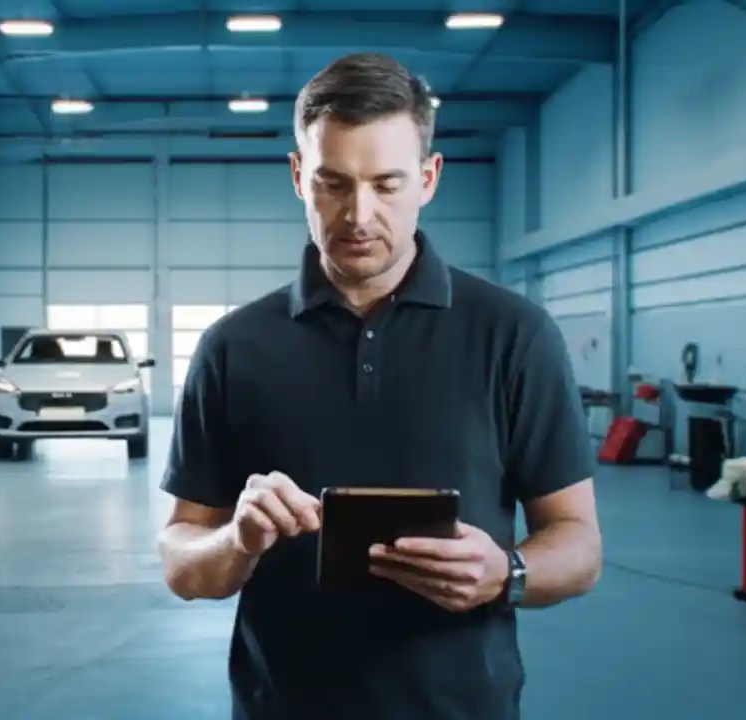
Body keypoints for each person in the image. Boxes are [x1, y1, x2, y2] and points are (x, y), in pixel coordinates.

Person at [156, 52, 602, 720]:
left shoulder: (515, 335)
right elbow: (183, 562)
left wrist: (505, 573)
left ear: (428, 178)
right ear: (298, 176)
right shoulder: (235, 347)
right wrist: (237, 540)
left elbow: (579, 544)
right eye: (333, 184)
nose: (359, 215)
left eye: (387, 185)